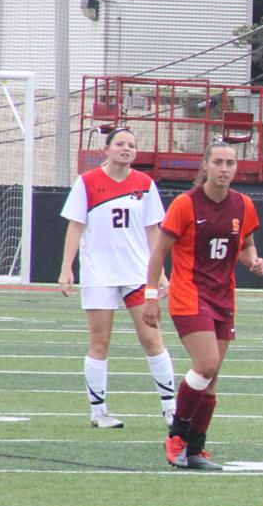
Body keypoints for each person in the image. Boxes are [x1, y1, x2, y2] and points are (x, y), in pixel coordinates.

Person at [142, 141, 263, 471]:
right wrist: (150, 296)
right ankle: (176, 436)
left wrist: (253, 261)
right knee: (206, 364)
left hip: (223, 297)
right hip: (189, 295)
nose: (224, 169)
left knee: (212, 378)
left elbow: (246, 246)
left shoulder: (243, 205)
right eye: (218, 162)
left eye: (230, 163)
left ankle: (196, 449)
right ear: (205, 165)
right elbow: (159, 252)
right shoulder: (186, 204)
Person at [58, 127, 177, 429]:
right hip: (99, 273)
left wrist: (161, 274)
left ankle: (171, 409)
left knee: (152, 338)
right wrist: (66, 267)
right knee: (100, 342)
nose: (126, 149)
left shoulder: (145, 184)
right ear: (107, 149)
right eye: (120, 144)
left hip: (138, 274)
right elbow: (75, 226)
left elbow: (153, 231)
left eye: (131, 145)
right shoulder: (87, 182)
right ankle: (98, 412)